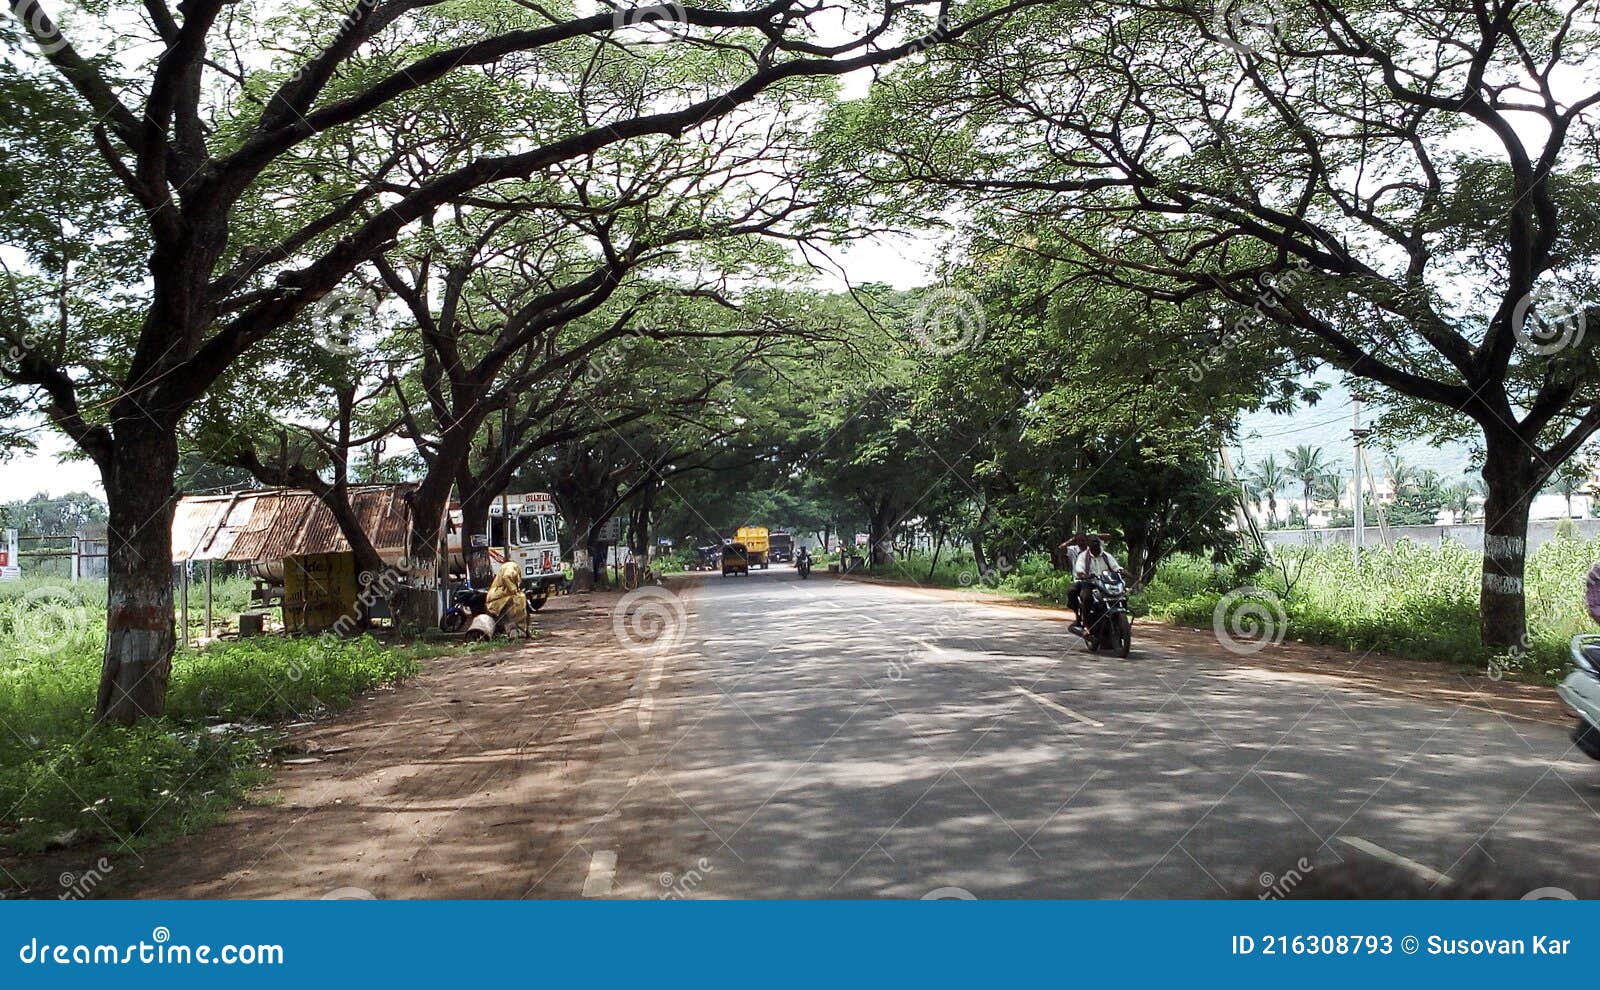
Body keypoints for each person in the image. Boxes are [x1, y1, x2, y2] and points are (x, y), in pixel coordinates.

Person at [1070, 536, 1121, 633]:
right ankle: (1085, 621)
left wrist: (1123, 572)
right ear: (1089, 544)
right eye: (1093, 542)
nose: (1095, 544)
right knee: (1086, 597)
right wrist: (1084, 575)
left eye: (1097, 542)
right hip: (1090, 582)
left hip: (1106, 583)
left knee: (1120, 595)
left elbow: (1116, 567)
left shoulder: (1107, 556)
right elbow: (1079, 569)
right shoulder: (1083, 556)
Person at [484, 560, 529, 637]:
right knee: (520, 600)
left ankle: (516, 631)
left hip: (497, 596)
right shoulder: (512, 566)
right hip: (499, 597)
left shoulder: (507, 567)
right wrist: (513, 589)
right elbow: (507, 576)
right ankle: (519, 631)